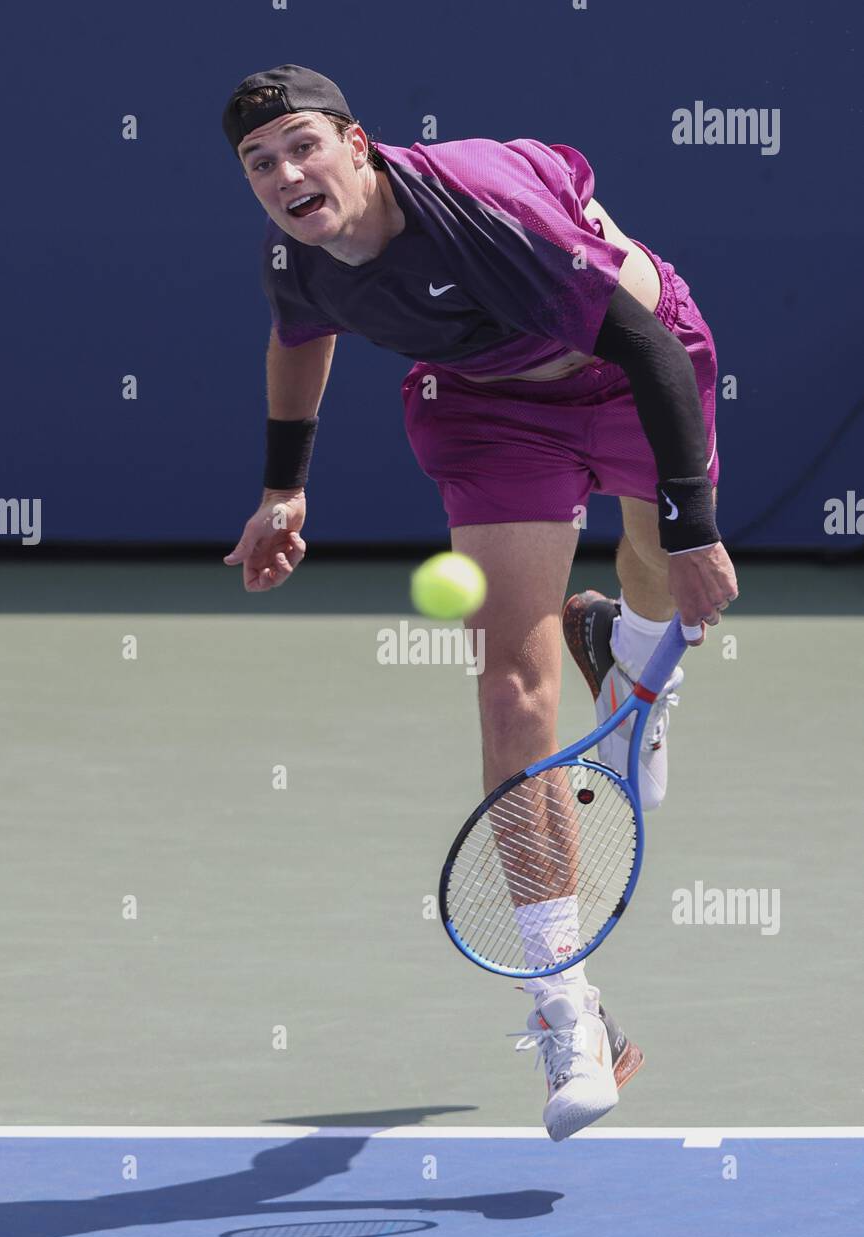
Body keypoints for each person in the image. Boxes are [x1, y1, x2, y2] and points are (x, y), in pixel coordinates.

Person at [221, 65, 739, 1141]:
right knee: (509, 685)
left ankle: (625, 643)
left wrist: (691, 525)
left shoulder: (476, 217)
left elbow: (639, 340)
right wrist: (282, 487)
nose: (285, 175)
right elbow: (297, 338)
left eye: (303, 146)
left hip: (629, 364)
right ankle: (565, 1005)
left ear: (358, 146)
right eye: (259, 164)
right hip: (479, 409)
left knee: (664, 582)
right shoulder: (299, 256)